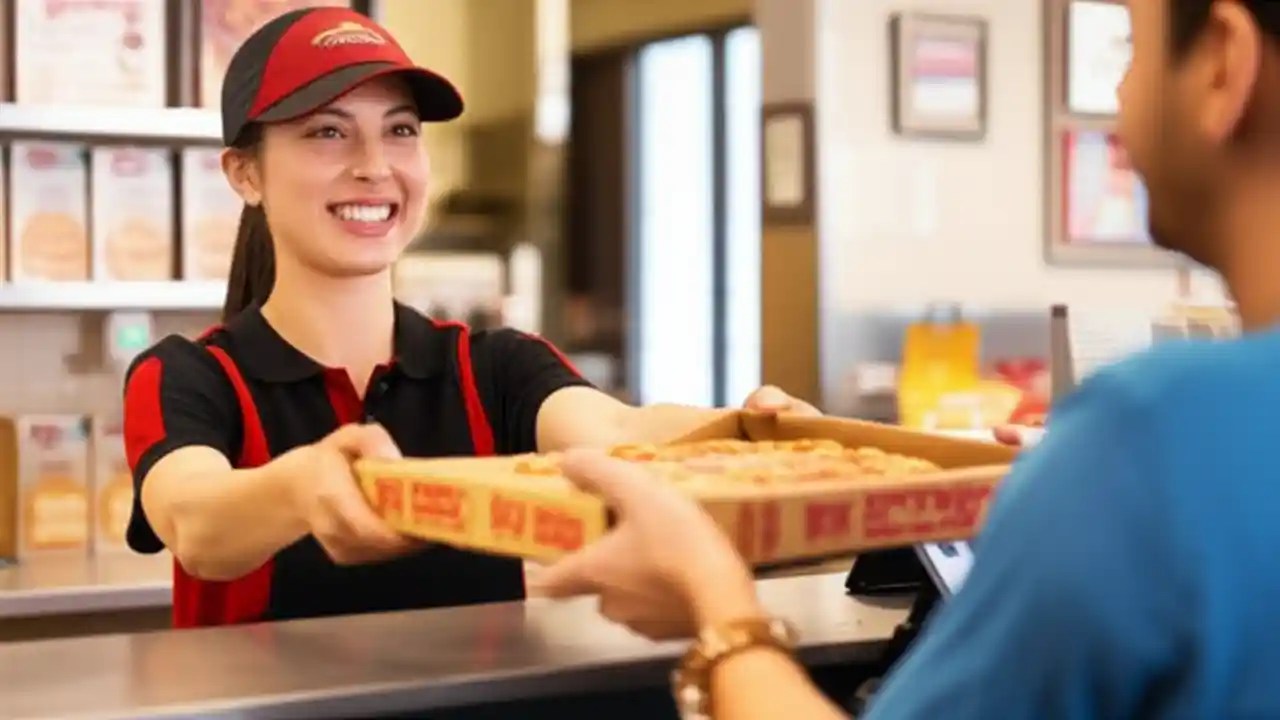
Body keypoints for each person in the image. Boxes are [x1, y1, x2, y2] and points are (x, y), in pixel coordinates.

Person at [533, 1, 1280, 717]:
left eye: (1131, 49)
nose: (1116, 100)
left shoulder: (1156, 437)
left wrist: (716, 605)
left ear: (1221, 60)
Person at [121, 6, 816, 629]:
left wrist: (743, 433)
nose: (374, 166)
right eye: (327, 132)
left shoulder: (492, 366)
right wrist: (302, 488)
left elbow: (619, 431)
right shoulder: (189, 376)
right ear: (244, 173)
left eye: (400, 130)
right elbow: (196, 520)